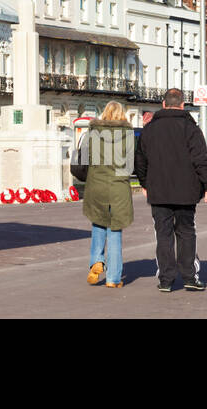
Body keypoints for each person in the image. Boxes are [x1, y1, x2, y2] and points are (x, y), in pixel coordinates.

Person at [133, 88, 207, 292]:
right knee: (186, 232)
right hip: (186, 192)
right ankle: (189, 276)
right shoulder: (191, 128)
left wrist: (144, 183)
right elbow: (200, 160)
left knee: (163, 234)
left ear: (163, 104)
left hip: (158, 191)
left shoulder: (149, 130)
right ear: (182, 105)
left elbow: (140, 161)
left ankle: (165, 279)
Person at [75, 101, 134, 289]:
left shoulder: (91, 133)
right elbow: (130, 166)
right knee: (115, 230)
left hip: (96, 185)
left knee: (98, 223)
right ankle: (113, 279)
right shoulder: (128, 134)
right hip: (118, 187)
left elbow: (82, 161)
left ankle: (96, 260)